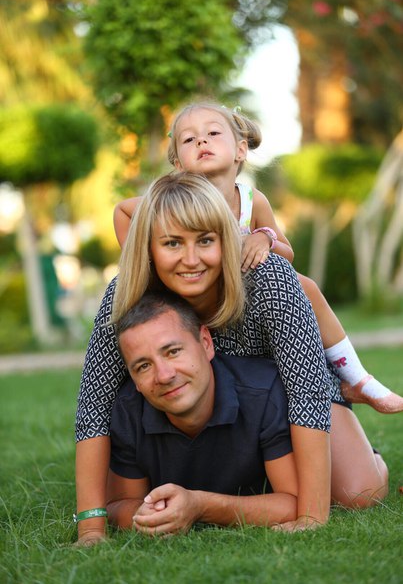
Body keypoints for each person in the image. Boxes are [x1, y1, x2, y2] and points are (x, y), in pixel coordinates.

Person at [75, 171, 388, 545]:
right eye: (172, 243)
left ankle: (370, 458)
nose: (191, 259)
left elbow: (306, 393)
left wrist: (310, 515)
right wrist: (91, 529)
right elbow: (94, 404)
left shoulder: (269, 279)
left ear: (226, 239)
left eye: (205, 240)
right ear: (149, 248)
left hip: (292, 389)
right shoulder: (127, 292)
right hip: (206, 409)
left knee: (357, 493)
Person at [114, 101, 403, 415]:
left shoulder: (252, 201)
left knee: (305, 286)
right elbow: (123, 211)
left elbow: (287, 254)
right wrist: (147, 266)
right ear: (178, 163)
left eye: (213, 133)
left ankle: (356, 377)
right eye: (188, 139)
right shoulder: (171, 203)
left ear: (240, 150)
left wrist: (264, 237)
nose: (201, 141)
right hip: (194, 293)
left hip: (245, 294)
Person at [106, 291, 298, 534]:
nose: (164, 375)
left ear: (206, 343)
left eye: (173, 351)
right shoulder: (129, 410)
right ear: (133, 379)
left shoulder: (263, 392)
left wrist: (201, 506)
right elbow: (117, 505)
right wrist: (152, 515)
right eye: (143, 366)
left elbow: (294, 504)